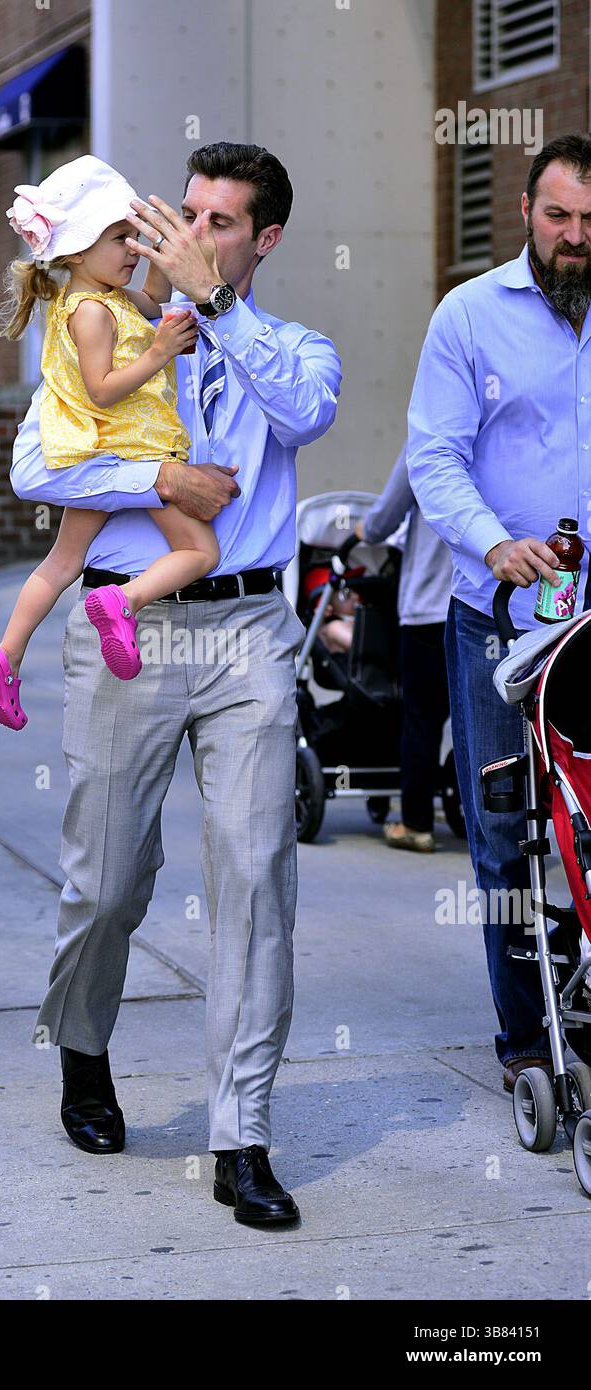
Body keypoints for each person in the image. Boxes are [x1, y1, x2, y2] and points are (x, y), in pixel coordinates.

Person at [11, 142, 341, 1225]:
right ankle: (81, 1042)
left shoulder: (290, 346)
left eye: (218, 222)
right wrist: (153, 473)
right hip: (127, 621)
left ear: (264, 240)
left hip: (245, 624)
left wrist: (221, 316)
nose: (189, 237)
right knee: (103, 880)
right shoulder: (97, 325)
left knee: (253, 879)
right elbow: (35, 468)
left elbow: (303, 416)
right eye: (183, 213)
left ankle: (238, 1132)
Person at [406, 133, 591, 1093]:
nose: (574, 236)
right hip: (501, 617)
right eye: (558, 215)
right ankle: (528, 1041)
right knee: (504, 831)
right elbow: (434, 455)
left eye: (590, 222)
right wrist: (491, 542)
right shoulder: (470, 316)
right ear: (525, 211)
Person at [0, 155, 222, 726]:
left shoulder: (108, 299)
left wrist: (168, 247)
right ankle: (122, 603)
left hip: (100, 454)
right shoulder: (91, 314)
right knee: (200, 552)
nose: (133, 249)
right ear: (79, 250)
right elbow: (101, 390)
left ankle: (4, 655)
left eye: (135, 237)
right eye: (120, 239)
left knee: (62, 561)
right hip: (130, 450)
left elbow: (155, 301)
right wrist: (158, 354)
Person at [356, 445, 453, 852]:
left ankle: (416, 823)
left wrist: (363, 531)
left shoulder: (427, 442)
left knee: (422, 717)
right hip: (492, 606)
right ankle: (489, 814)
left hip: (430, 605)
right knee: (484, 719)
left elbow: (384, 520)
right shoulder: (507, 441)